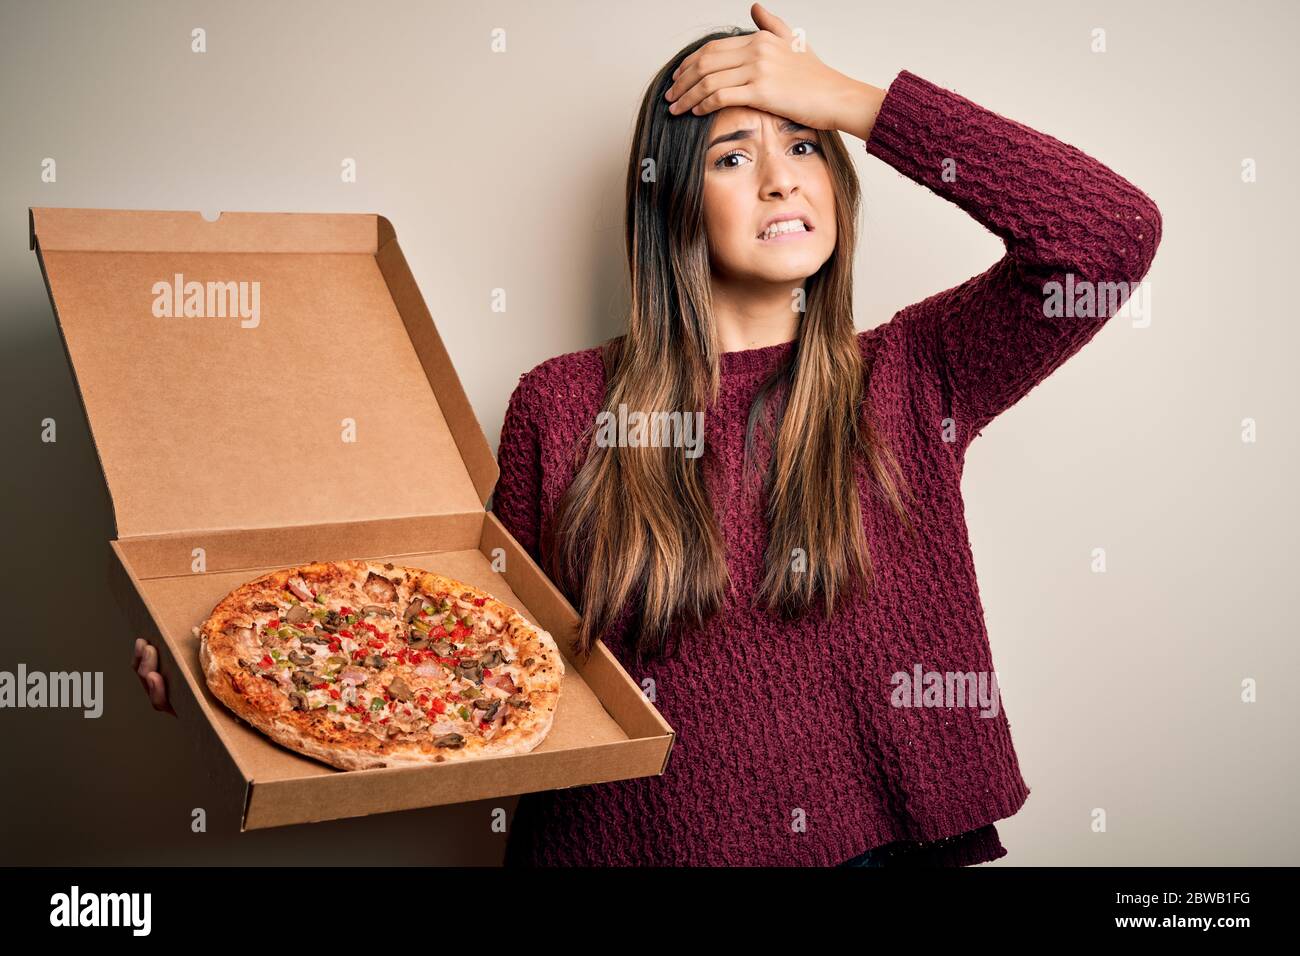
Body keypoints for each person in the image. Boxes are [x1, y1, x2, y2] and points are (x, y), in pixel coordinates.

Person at [135, 3, 1161, 867]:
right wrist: (228, 675)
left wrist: (848, 98)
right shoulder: (562, 405)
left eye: (803, 144)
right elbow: (469, 655)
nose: (781, 177)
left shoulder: (910, 371)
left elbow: (1107, 236)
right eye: (732, 153)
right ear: (671, 201)